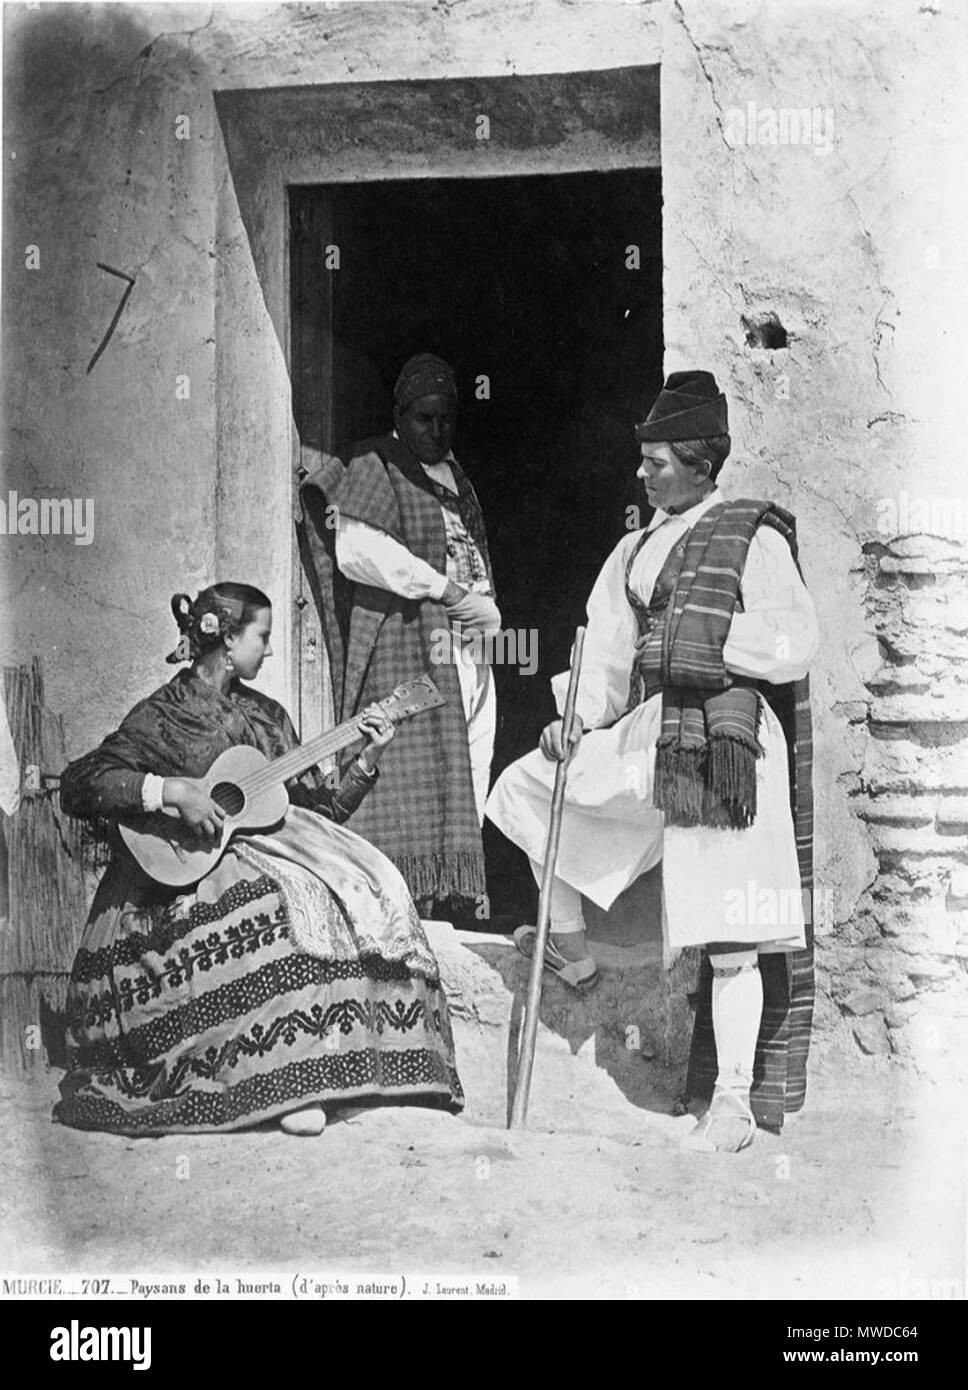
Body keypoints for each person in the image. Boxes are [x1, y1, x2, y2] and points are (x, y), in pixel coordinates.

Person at [486, 371, 819, 1152]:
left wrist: (702, 645)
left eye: (658, 460)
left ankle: (732, 1106)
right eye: (642, 458)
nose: (641, 473)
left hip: (730, 744)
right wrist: (571, 723)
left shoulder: (754, 537)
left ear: (702, 461)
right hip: (651, 730)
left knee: (728, 924)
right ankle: (567, 944)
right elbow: (603, 657)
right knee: (533, 785)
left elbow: (794, 640)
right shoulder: (632, 551)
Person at [55, 582, 463, 1137]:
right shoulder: (164, 715)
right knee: (268, 906)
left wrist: (368, 755)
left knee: (367, 882)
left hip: (271, 846)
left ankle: (343, 1067)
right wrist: (171, 792)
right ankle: (277, 1085)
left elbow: (321, 808)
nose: (270, 651)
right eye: (262, 636)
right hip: (180, 871)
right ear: (226, 640)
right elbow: (80, 785)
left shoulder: (267, 718)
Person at [299, 353, 499, 913]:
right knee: (407, 785)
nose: (435, 431)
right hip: (411, 646)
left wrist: (485, 611)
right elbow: (360, 552)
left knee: (467, 775)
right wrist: (448, 592)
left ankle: (441, 918)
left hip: (471, 653)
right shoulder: (376, 463)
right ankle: (399, 923)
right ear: (399, 415)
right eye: (423, 418)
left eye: (446, 419)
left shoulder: (458, 479)